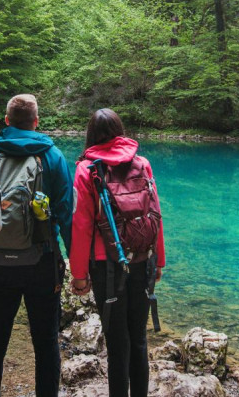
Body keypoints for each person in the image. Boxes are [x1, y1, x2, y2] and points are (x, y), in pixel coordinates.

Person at [0, 93, 74, 397]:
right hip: (42, 264)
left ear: (6, 121)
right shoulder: (52, 156)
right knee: (46, 344)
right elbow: (66, 216)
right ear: (36, 122)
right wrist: (79, 267)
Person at [70, 108, 165, 397]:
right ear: (120, 130)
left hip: (106, 267)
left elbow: (81, 226)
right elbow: (156, 214)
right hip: (142, 260)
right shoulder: (142, 164)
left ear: (90, 135)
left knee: (117, 343)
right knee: (138, 339)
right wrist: (158, 261)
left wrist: (79, 276)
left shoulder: (87, 170)